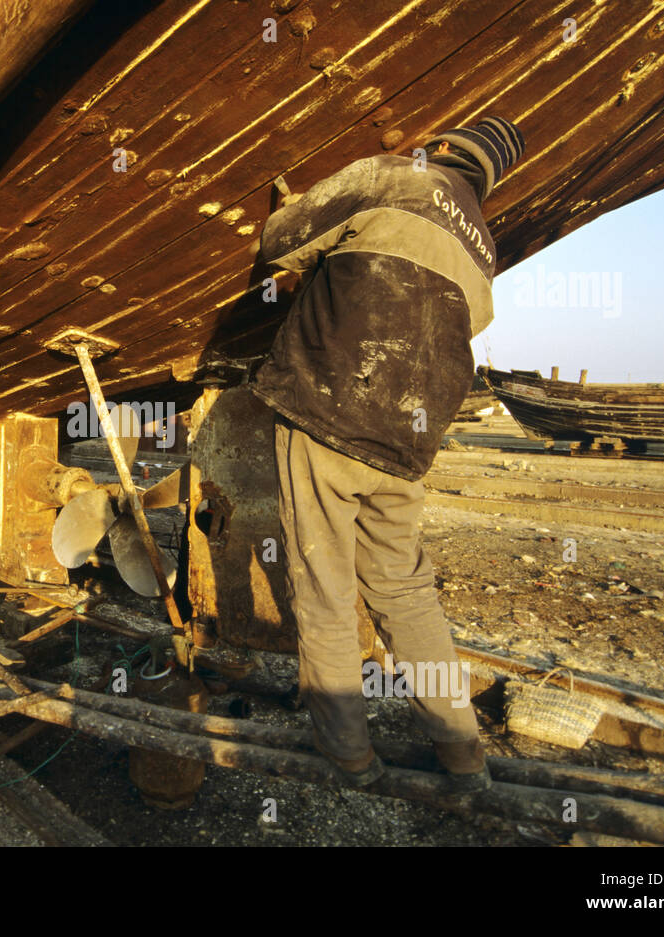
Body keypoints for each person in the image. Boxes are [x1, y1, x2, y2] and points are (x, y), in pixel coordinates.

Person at [251, 117, 524, 791]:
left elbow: (278, 243)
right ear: (486, 181)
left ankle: (348, 756)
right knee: (405, 594)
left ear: (442, 148)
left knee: (323, 588)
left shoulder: (392, 175)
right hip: (407, 442)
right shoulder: (485, 252)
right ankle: (463, 753)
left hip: (326, 408)